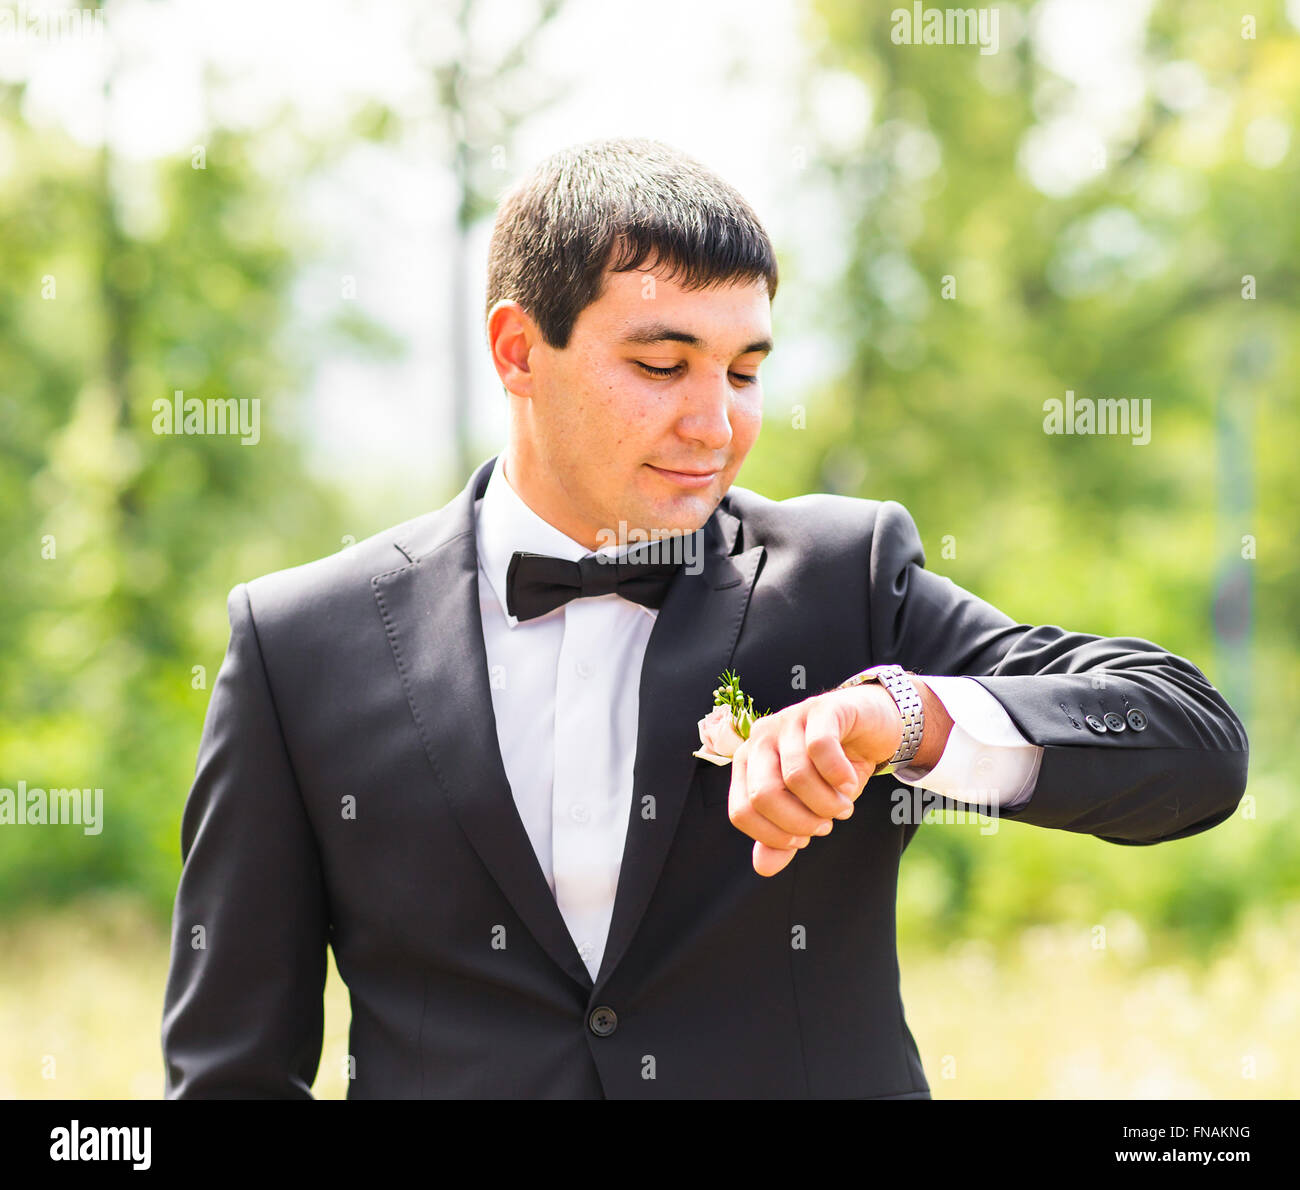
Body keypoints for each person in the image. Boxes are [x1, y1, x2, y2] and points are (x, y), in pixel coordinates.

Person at [161, 136, 1248, 1099]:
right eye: (662, 364)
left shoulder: (847, 578)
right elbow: (230, 1070)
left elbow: (1190, 744)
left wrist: (900, 718)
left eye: (743, 370)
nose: (716, 422)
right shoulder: (296, 641)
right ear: (516, 350)